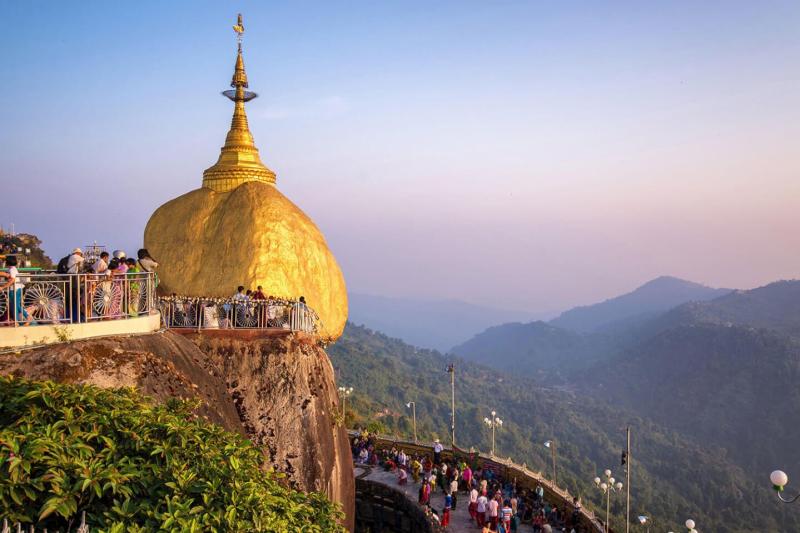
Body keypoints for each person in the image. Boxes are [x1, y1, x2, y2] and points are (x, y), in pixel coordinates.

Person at [1, 256, 32, 326]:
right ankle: (24, 318)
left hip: (15, 289)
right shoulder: (12, 269)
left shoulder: (12, 269)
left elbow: (13, 280)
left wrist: (3, 287)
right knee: (16, 305)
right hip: (16, 289)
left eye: (5, 261)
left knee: (15, 305)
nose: (4, 262)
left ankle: (18, 321)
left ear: (8, 262)